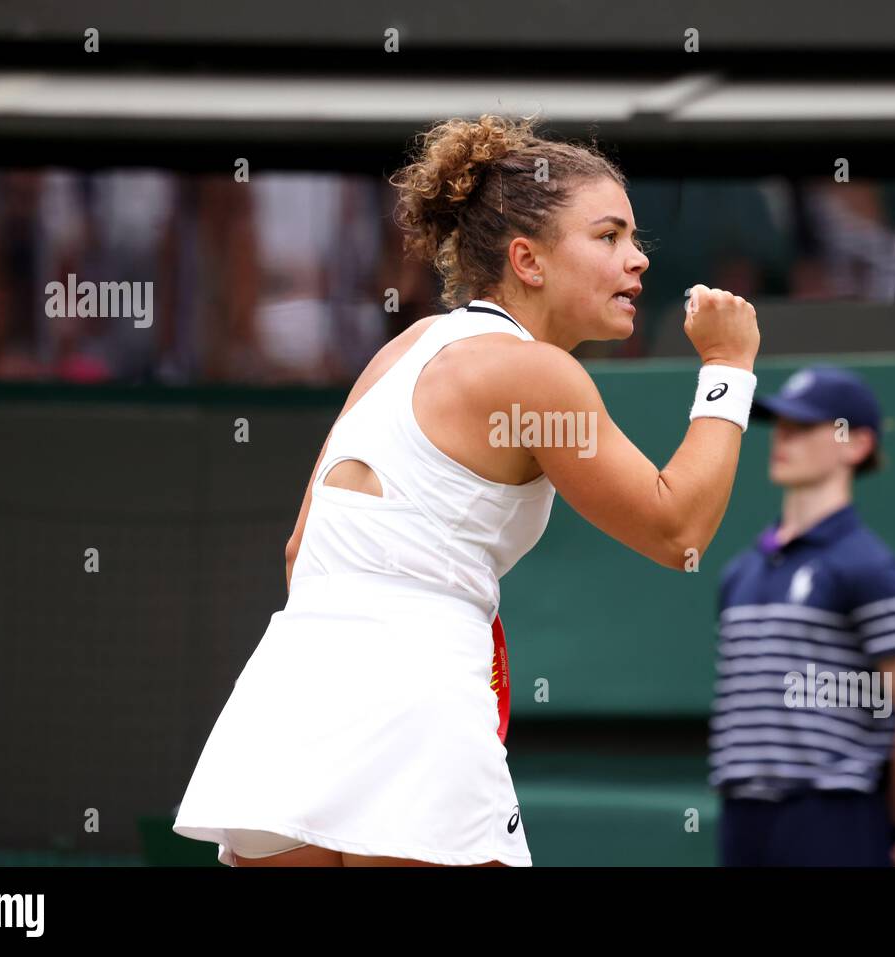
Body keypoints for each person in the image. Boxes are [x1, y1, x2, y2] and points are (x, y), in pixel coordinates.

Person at [173, 113, 761, 867]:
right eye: (610, 236)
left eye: (635, 239)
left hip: (288, 695)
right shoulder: (539, 373)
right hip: (416, 703)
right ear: (529, 260)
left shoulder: (403, 346)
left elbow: (300, 549)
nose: (637, 260)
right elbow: (678, 528)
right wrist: (728, 365)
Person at [709, 365, 895, 866]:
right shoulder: (740, 572)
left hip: (830, 819)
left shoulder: (869, 568)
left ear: (856, 444)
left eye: (803, 427)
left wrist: (883, 828)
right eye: (779, 425)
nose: (782, 438)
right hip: (742, 819)